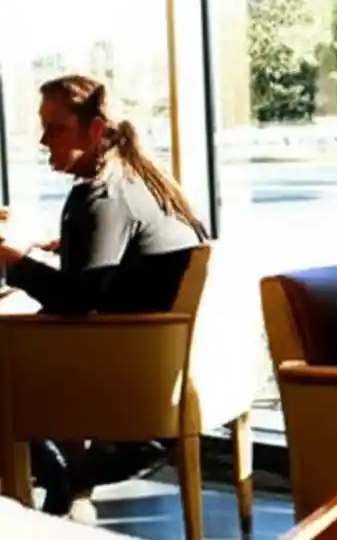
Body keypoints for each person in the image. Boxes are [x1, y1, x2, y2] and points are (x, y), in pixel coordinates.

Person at [0, 75, 209, 520]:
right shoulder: (142, 182)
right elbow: (108, 277)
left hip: (132, 373)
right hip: (176, 363)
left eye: (55, 128)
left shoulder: (99, 196)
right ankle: (74, 480)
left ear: (94, 131)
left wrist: (13, 259)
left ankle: (55, 483)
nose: (42, 140)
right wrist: (60, 246)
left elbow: (75, 302)